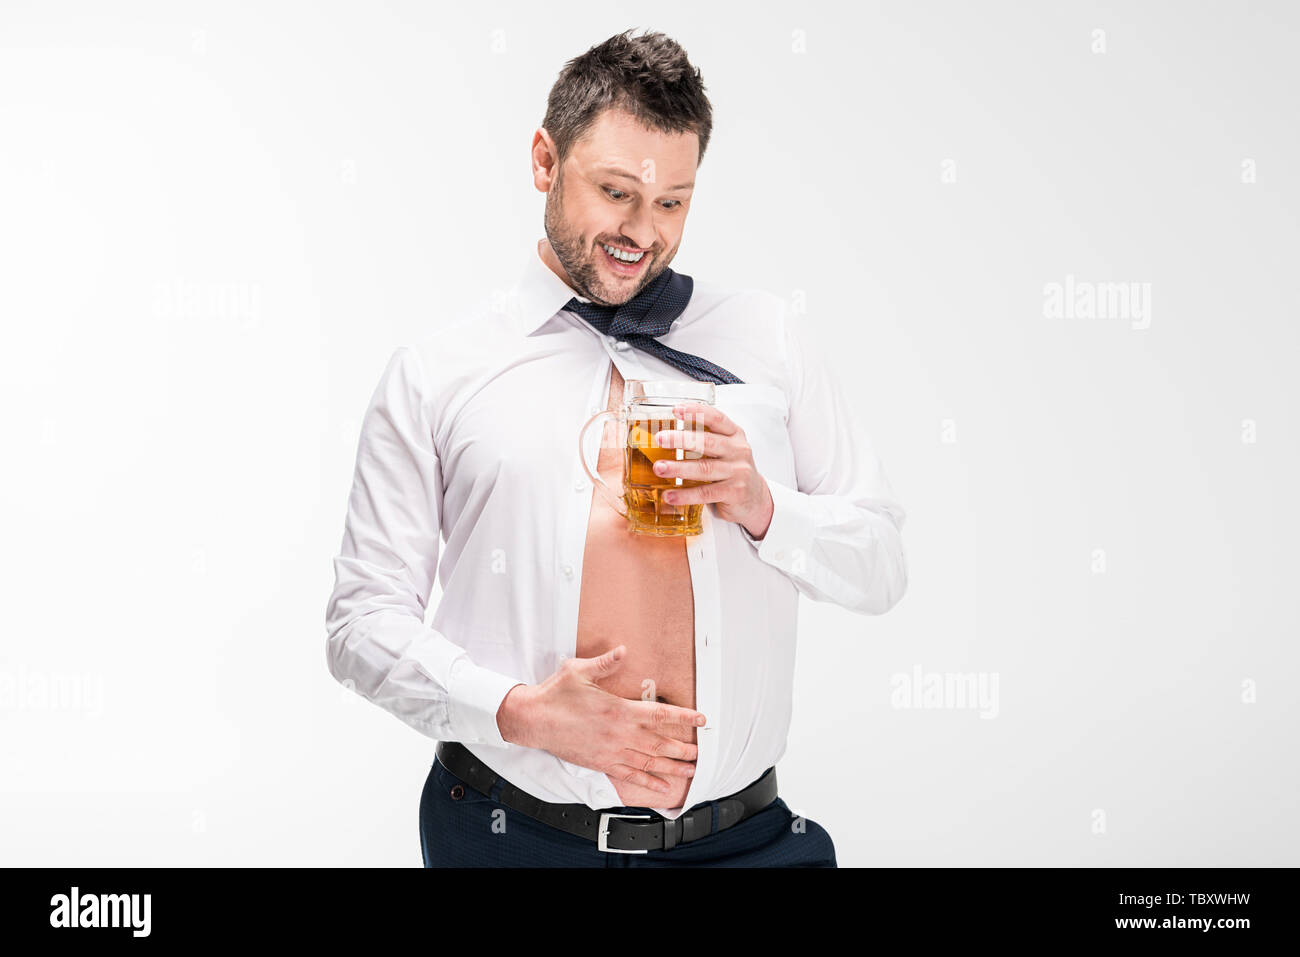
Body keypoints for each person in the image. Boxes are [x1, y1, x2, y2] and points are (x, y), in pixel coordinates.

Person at [324, 28, 907, 867]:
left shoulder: (767, 338)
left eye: (673, 202)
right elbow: (360, 624)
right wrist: (518, 710)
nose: (644, 230)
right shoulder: (437, 374)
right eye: (616, 192)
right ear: (543, 161)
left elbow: (882, 562)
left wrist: (764, 505)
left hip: (743, 841)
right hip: (510, 835)